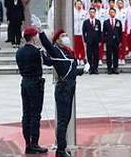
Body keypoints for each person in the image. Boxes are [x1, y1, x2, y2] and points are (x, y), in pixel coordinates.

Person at [38, 29, 87, 157]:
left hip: (70, 86)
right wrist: (40, 32)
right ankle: (60, 150)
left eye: (66, 35)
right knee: (62, 121)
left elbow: (70, 70)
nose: (66, 37)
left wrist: (82, 70)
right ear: (57, 39)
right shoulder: (55, 50)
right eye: (63, 36)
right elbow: (46, 44)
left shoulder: (66, 50)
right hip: (63, 88)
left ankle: (62, 148)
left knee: (67, 118)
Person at [15, 27, 52, 154]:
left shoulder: (19, 52)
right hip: (35, 83)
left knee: (26, 114)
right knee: (35, 114)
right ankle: (34, 142)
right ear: (34, 37)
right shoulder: (37, 52)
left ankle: (27, 143)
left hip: (24, 82)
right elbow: (49, 62)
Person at [103, 8, 122, 74]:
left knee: (116, 55)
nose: (112, 13)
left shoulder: (118, 22)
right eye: (110, 12)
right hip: (109, 41)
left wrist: (120, 41)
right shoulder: (106, 22)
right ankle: (109, 68)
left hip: (116, 41)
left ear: (115, 13)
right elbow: (104, 32)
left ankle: (115, 68)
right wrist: (105, 41)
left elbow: (120, 32)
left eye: (113, 12)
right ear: (109, 13)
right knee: (108, 55)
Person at [82, 8, 101, 74]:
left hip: (96, 41)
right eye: (91, 12)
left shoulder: (98, 22)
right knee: (89, 55)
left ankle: (95, 68)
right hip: (89, 41)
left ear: (95, 13)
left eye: (93, 12)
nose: (92, 13)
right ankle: (90, 68)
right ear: (89, 13)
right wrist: (85, 40)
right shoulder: (86, 22)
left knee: (96, 55)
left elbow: (99, 32)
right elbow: (84, 32)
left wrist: (99, 41)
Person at [73, 0, 87, 65]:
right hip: (75, 31)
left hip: (82, 32)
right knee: (76, 45)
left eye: (80, 4)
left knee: (82, 45)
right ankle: (77, 58)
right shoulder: (73, 12)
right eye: (77, 4)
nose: (79, 5)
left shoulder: (84, 12)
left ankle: (82, 58)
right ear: (75, 5)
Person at [115, 0, 127, 65]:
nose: (120, 4)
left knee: (124, 45)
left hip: (123, 30)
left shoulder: (125, 11)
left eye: (121, 3)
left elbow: (128, 21)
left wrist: (127, 30)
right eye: (118, 3)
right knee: (117, 45)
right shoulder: (115, 11)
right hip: (116, 31)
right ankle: (119, 58)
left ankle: (123, 58)